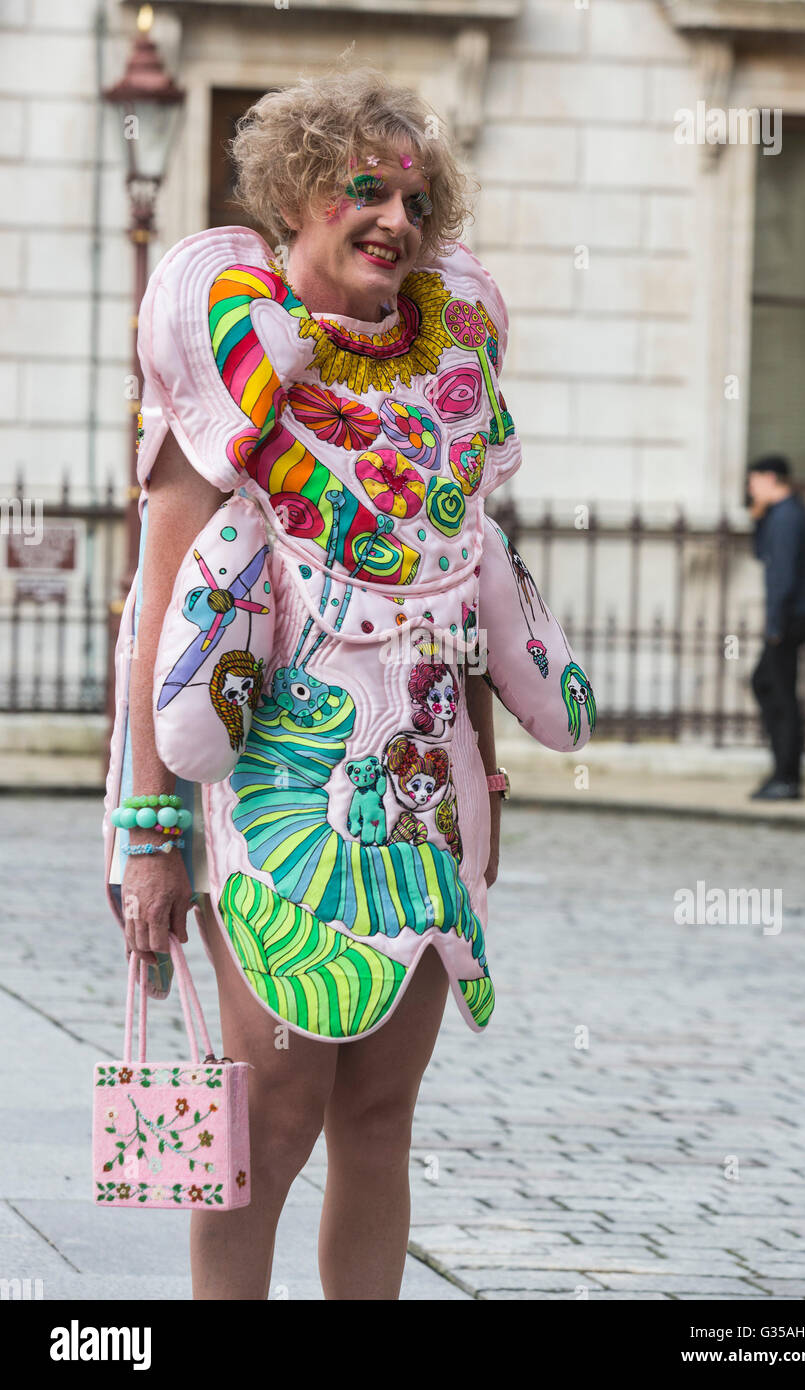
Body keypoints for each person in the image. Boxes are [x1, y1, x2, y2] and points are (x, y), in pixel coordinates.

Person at [102, 65, 596, 1300]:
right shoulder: (227, 366)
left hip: (425, 800)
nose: (393, 220)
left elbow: (466, 599)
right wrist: (149, 828)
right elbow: (154, 616)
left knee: (379, 1116)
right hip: (273, 801)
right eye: (360, 191)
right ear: (296, 198)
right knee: (269, 1125)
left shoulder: (449, 373)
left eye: (414, 200)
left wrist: (483, 771)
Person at [746, 454, 805, 801]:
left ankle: (787, 778)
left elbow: (784, 576)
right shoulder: (779, 515)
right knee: (766, 684)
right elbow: (762, 555)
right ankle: (784, 772)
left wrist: (775, 624)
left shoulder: (789, 517)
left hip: (790, 617)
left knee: (780, 692)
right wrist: (757, 517)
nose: (749, 487)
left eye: (753, 480)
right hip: (790, 615)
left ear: (770, 478)